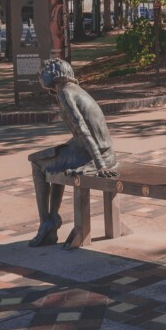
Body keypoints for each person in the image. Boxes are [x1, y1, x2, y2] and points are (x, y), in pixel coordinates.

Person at [27, 58, 119, 247]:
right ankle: (52, 217)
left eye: (44, 70)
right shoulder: (74, 90)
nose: (40, 75)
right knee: (54, 159)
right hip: (97, 150)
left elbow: (84, 131)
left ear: (55, 74)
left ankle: (47, 220)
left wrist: (99, 164)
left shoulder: (66, 94)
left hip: (95, 154)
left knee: (37, 163)